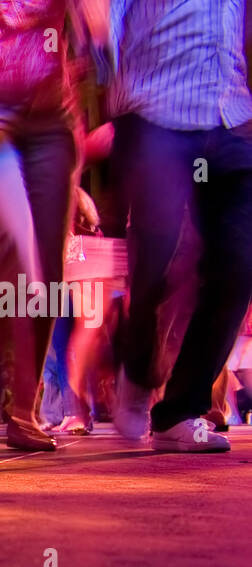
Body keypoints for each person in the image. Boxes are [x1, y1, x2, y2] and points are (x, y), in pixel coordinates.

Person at [0, 0, 106, 452]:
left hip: (51, 114)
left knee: (48, 265)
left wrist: (93, 24)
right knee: (15, 244)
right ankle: (18, 387)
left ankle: (24, 409)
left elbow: (99, 27)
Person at [109, 0, 252, 452]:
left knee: (239, 261)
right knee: (154, 258)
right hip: (156, 110)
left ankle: (179, 411)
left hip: (229, 114)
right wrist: (99, 43)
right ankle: (136, 366)